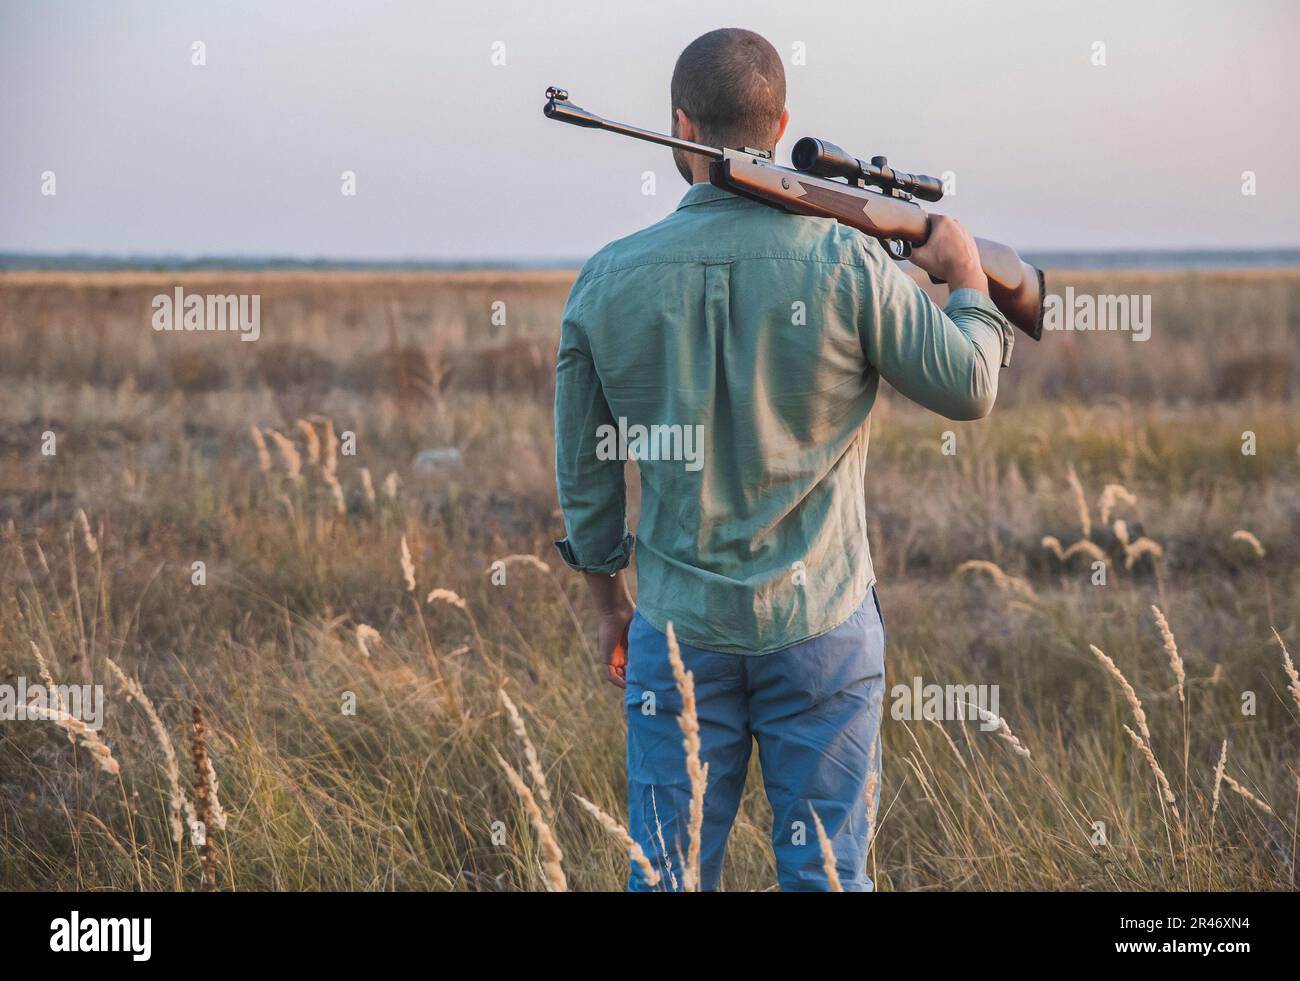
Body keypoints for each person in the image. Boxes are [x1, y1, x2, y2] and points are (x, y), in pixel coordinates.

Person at [553, 27, 1014, 890]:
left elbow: (586, 482)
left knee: (668, 876)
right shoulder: (851, 262)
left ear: (681, 123)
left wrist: (609, 606)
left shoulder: (606, 280)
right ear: (783, 123)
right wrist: (966, 278)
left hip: (676, 633)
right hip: (825, 625)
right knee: (827, 878)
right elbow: (971, 384)